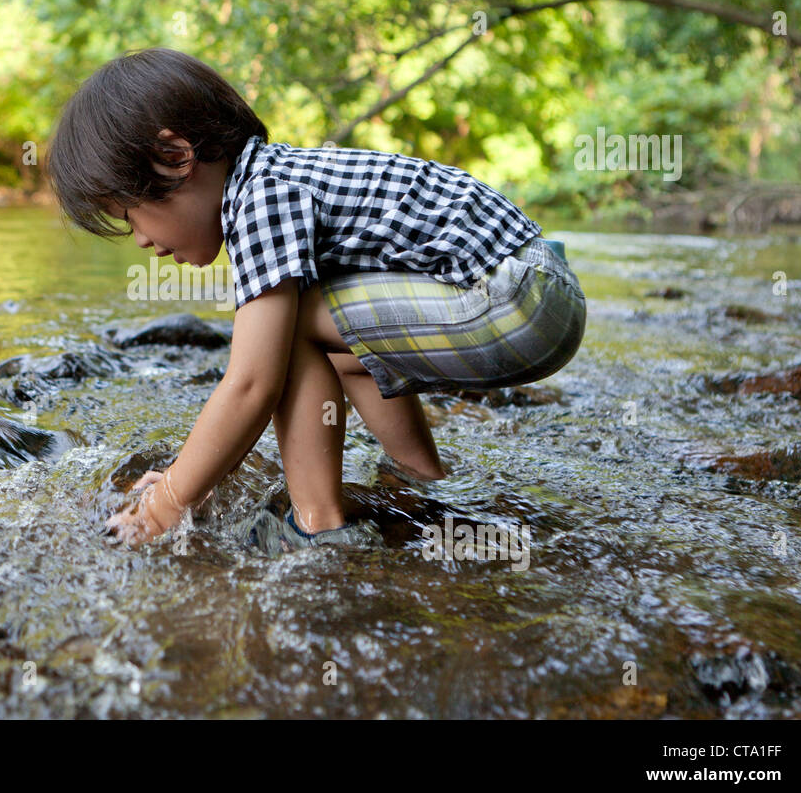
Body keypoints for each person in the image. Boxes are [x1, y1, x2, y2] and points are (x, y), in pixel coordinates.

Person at [43, 47, 586, 554]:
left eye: (128, 212)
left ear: (174, 156)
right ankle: (420, 478)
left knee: (289, 328)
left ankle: (318, 525)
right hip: (535, 295)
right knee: (343, 347)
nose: (138, 238)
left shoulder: (262, 197)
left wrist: (166, 504)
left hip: (516, 299)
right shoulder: (278, 180)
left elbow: (253, 384)